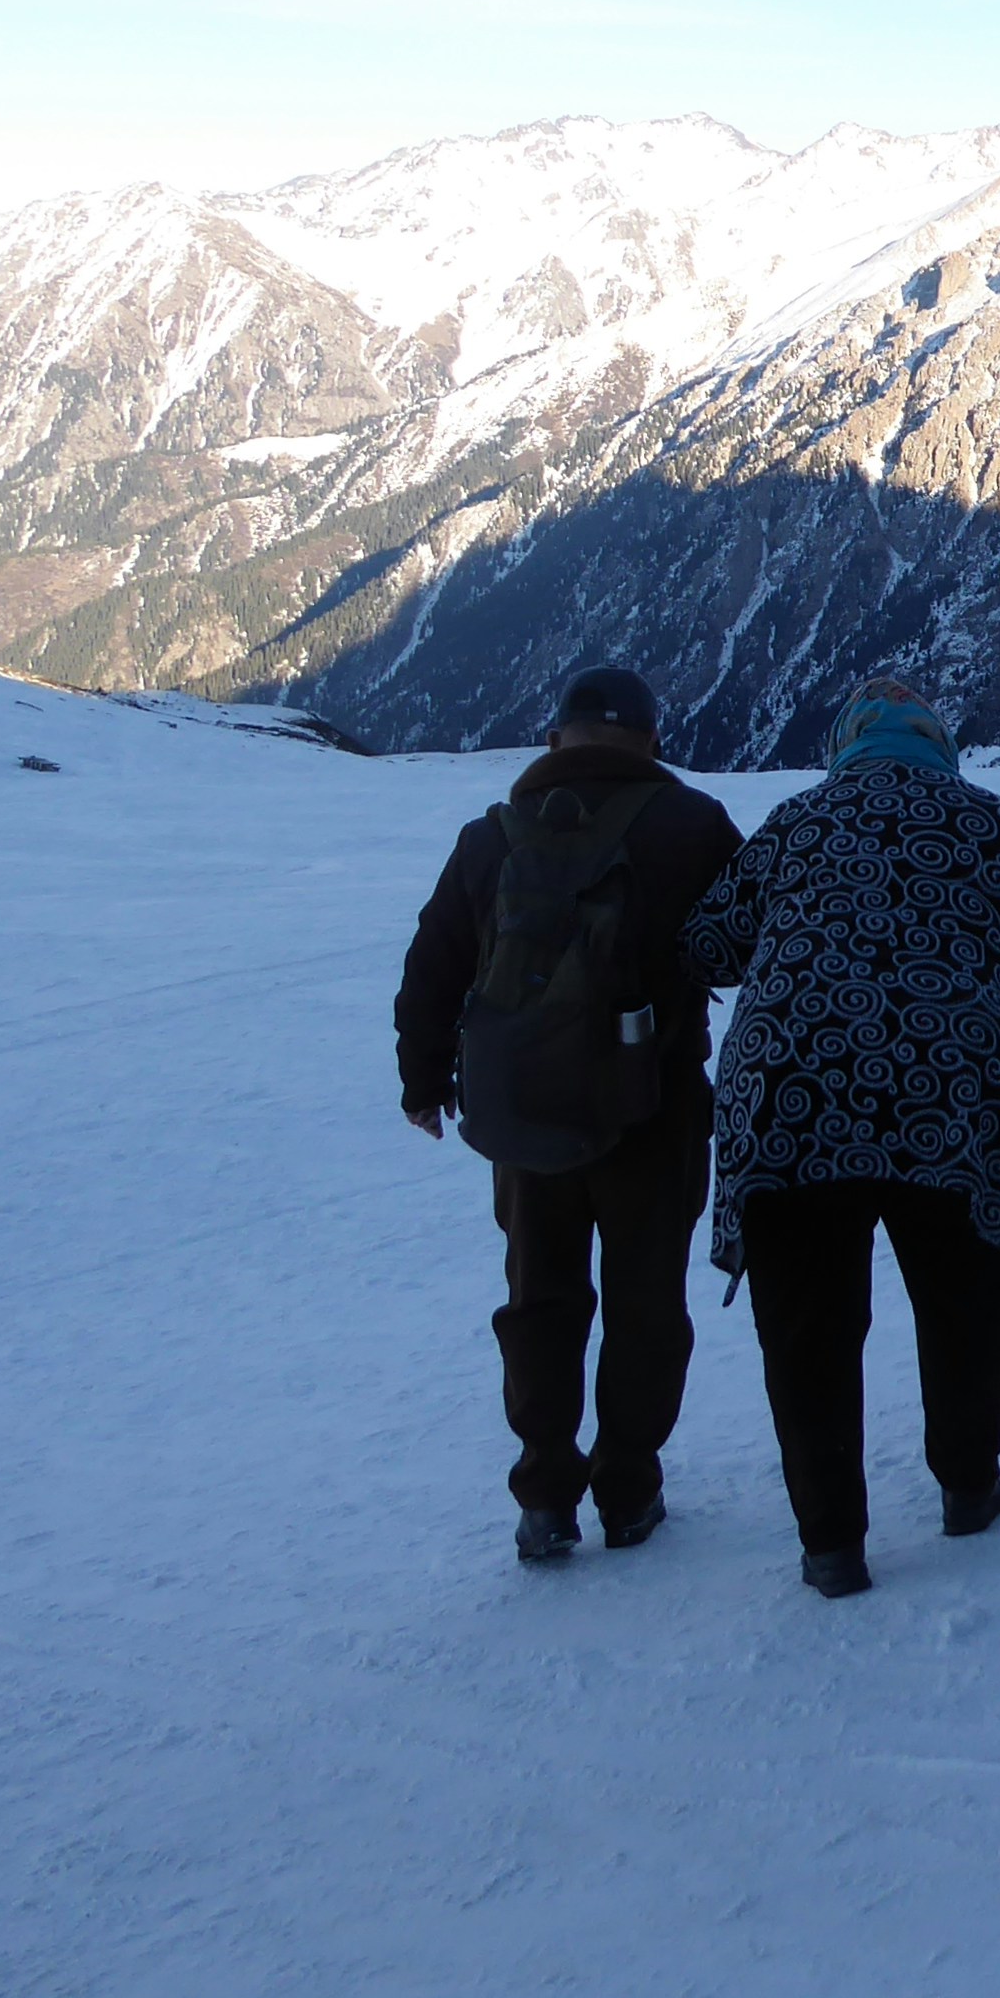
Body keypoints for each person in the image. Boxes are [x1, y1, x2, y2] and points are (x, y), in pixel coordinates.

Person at [685, 679, 1000, 1599]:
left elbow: (710, 941)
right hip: (955, 1094)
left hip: (788, 1097)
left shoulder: (799, 819)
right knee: (965, 1293)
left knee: (808, 1323)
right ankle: (966, 1483)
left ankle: (831, 1543)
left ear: (846, 746)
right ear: (937, 746)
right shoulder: (995, 823)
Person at [394, 665, 746, 1564]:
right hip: (653, 1111)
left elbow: (433, 966)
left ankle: (545, 1495)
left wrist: (424, 1081)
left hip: (525, 1113)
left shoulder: (491, 839)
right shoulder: (693, 827)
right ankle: (629, 1489)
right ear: (652, 742)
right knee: (645, 1307)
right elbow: (747, 949)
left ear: (557, 739)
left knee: (540, 1302)